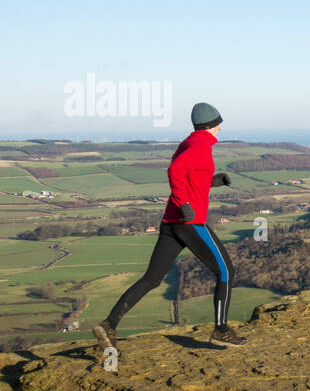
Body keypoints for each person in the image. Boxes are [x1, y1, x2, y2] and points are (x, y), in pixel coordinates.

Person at [93, 102, 246, 351]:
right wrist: (185, 203)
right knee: (226, 272)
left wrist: (214, 181)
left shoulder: (189, 142)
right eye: (219, 123)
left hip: (171, 223)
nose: (221, 127)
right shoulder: (200, 146)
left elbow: (189, 176)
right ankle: (221, 330)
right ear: (210, 125)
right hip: (190, 223)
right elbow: (175, 170)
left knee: (151, 279)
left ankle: (109, 325)